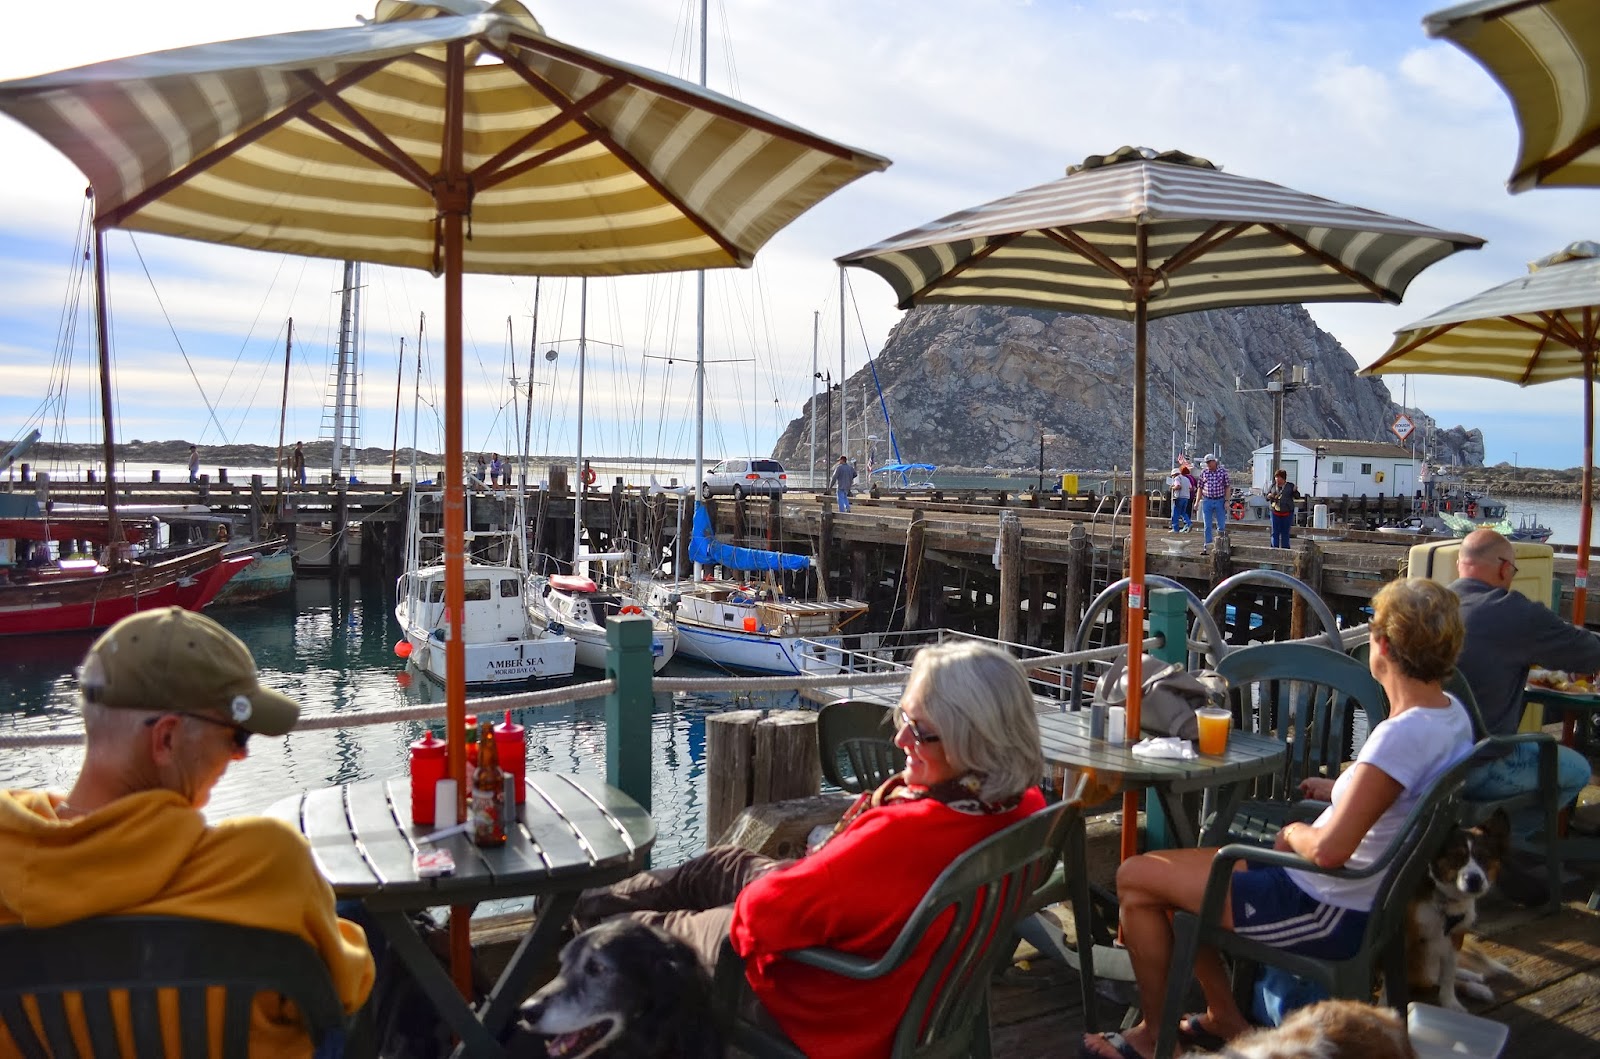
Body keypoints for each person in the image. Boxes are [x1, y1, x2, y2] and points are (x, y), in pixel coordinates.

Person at [573, 641, 1047, 1058]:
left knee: (638, 933)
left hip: (827, 1000)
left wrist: (794, 879)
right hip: (906, 971)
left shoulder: (908, 832)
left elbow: (759, 917)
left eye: (922, 732)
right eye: (903, 717)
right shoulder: (1022, 804)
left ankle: (581, 942)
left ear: (977, 739)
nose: (901, 739)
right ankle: (585, 914)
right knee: (721, 863)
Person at [1083, 578, 1474, 1059]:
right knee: (1159, 880)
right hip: (1352, 892)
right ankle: (1224, 1017)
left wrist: (1294, 830)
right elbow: (1398, 795)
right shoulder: (1449, 715)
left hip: (1325, 908)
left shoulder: (1402, 736)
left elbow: (1331, 851)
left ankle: (1151, 1038)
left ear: (1383, 645)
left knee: (1135, 878)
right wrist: (1343, 790)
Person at [0, 608, 374, 1057]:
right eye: (236, 737)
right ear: (167, 741)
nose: (240, 757)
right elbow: (348, 989)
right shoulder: (264, 865)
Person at [1450, 529, 1596, 845]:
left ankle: (1462, 839)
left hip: (1420, 763)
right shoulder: (1510, 609)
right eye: (1513, 571)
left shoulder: (1430, 605)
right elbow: (1587, 652)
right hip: (1478, 767)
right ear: (1505, 568)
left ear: (1461, 564)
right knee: (1577, 770)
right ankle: (1496, 847)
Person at [1196, 453, 1229, 551]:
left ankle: (1221, 545)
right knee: (1207, 525)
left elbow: (1227, 487)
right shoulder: (1204, 473)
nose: (1208, 464)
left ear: (1215, 461)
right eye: (1207, 463)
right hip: (1207, 500)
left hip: (1220, 500)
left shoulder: (1223, 472)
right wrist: (1197, 502)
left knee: (1221, 525)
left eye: (1210, 462)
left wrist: (1227, 500)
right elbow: (1200, 488)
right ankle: (1208, 545)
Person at [1267, 468, 1298, 549]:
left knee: (1285, 532)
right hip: (1275, 512)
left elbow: (1297, 496)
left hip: (1287, 513)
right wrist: (1269, 496)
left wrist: (1295, 490)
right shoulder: (1272, 486)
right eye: (1276, 477)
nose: (1277, 479)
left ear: (1283, 478)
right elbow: (1266, 496)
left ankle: (1286, 549)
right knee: (1275, 532)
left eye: (1279, 477)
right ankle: (1274, 549)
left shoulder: (1290, 486)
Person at [1168, 463, 1195, 533]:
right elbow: (1191, 488)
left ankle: (1175, 528)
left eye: (1172, 476)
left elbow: (1178, 486)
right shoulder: (1186, 479)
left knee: (1175, 513)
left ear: (1174, 474)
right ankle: (1189, 523)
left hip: (1179, 497)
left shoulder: (1177, 478)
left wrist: (1172, 487)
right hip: (1186, 498)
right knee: (1183, 512)